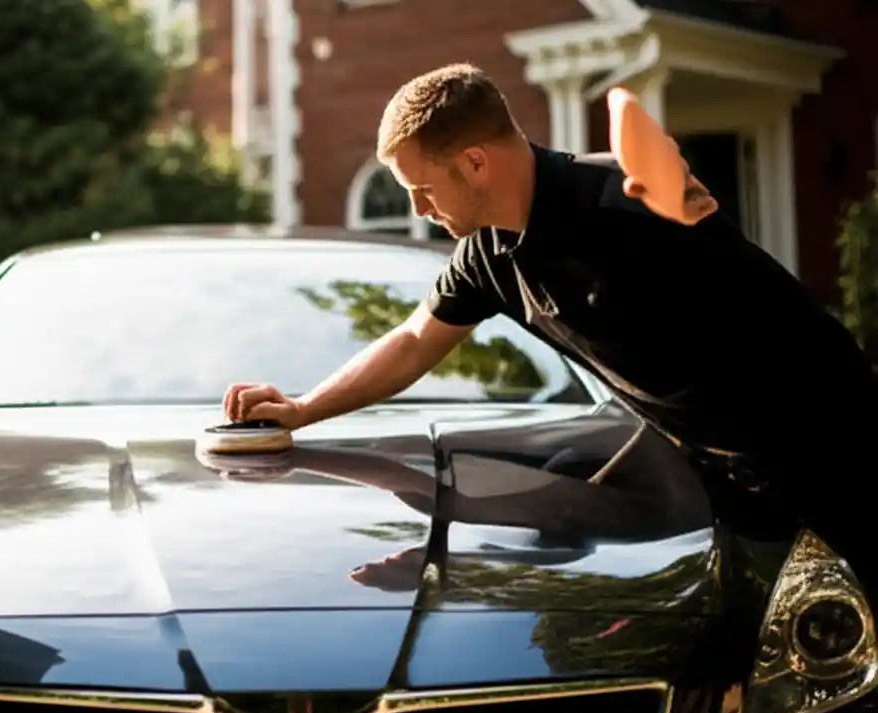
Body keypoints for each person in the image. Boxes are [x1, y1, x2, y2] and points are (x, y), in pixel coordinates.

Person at [223, 62, 878, 602]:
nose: (419, 210)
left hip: (828, 441)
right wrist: (304, 409)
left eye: (422, 189)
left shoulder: (621, 202)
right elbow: (414, 341)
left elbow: (698, 230)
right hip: (701, 462)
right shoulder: (486, 256)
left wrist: (686, 208)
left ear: (475, 163)